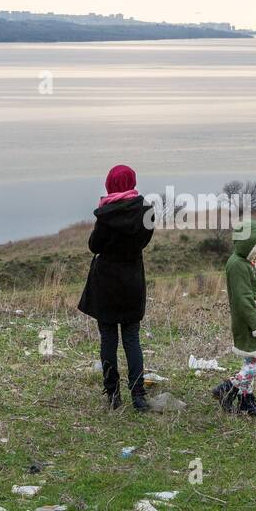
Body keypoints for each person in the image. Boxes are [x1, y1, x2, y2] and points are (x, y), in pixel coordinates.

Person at [77, 165, 154, 411]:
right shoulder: (146, 212)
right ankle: (138, 396)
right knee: (132, 338)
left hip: (106, 284)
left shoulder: (105, 213)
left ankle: (112, 394)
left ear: (110, 183)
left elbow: (94, 246)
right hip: (132, 282)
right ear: (132, 182)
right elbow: (143, 242)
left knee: (108, 339)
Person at [212, 218, 256, 419]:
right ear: (250, 243)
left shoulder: (243, 261)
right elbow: (243, 299)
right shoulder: (238, 265)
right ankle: (229, 386)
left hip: (250, 322)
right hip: (250, 324)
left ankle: (246, 398)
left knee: (250, 361)